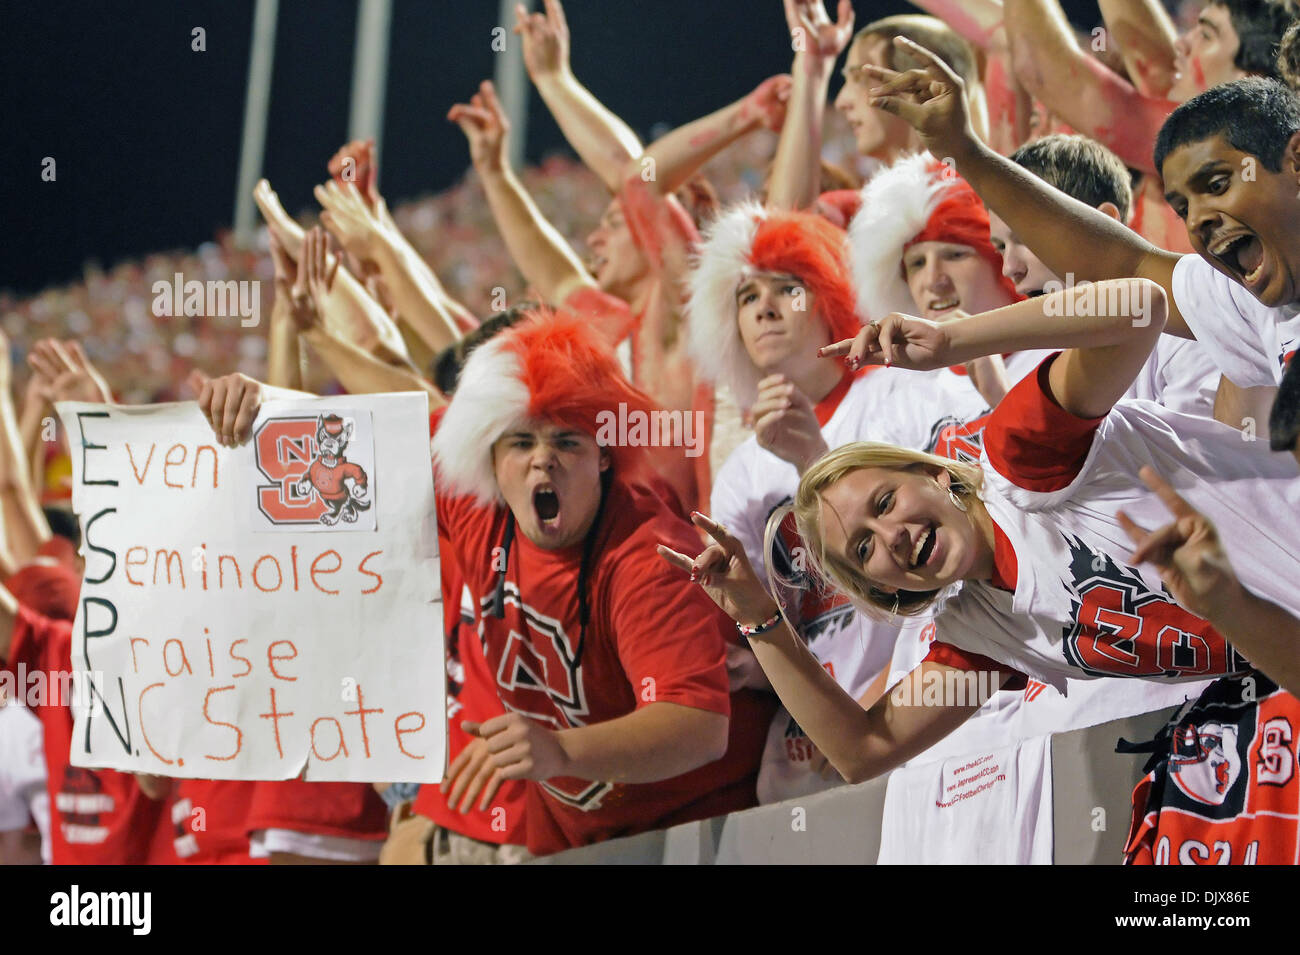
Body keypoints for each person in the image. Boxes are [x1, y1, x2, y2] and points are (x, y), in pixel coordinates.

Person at [660, 273, 1300, 795]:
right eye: (862, 549)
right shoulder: (983, 633)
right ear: (876, 588)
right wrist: (758, 616)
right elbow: (863, 750)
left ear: (933, 474)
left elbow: (1141, 307)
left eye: (885, 501)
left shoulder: (1022, 457)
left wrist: (954, 341)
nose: (892, 537)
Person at [201, 310, 770, 856]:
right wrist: (257, 405)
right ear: (489, 459)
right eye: (521, 443)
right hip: (577, 833)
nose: (542, 461)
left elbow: (699, 726)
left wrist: (559, 749)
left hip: (698, 826)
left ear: (604, 455)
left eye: (567, 442)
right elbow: (320, 454)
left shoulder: (648, 557)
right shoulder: (470, 502)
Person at [861, 36, 1300, 435]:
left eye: (1218, 185)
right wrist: (963, 149)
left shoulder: (1185, 338)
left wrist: (1004, 403)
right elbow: (1128, 269)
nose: (1199, 219)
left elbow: (1208, 479)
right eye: (1183, 208)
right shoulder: (1251, 304)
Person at [1001, 0, 1298, 251]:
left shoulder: (1210, 143)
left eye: (1206, 36)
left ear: (1248, 79)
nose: (1181, 43)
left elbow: (1041, 70)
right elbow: (1153, 65)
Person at [992, 133, 1219, 417]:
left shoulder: (1183, 331)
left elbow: (1203, 457)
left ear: (1103, 222)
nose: (1010, 268)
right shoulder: (1014, 367)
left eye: (1026, 238)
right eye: (1000, 247)